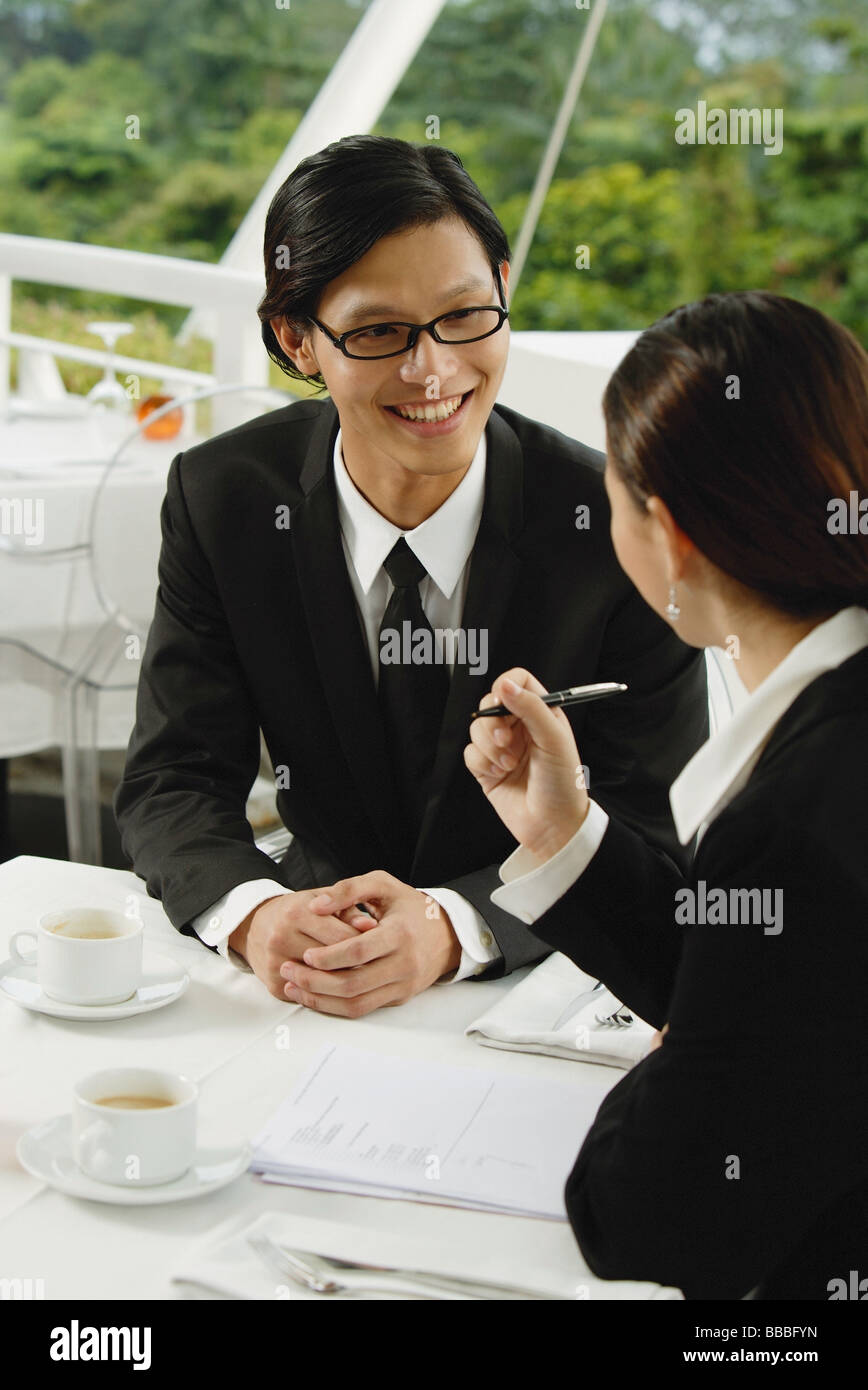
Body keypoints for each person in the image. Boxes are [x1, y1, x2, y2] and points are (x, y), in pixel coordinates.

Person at [313, 291, 868, 1298]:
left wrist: (668, 1057)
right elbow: (774, 985)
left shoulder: (793, 819)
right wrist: (565, 834)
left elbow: (646, 1219)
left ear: (670, 535)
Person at [114, 134, 708, 1012]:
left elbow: (652, 833)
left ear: (504, 286)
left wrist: (453, 924)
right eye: (380, 331)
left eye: (465, 315)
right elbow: (176, 777)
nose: (432, 369)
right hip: (307, 974)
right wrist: (256, 915)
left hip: (546, 983)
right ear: (297, 337)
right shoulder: (223, 498)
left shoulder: (615, 522)